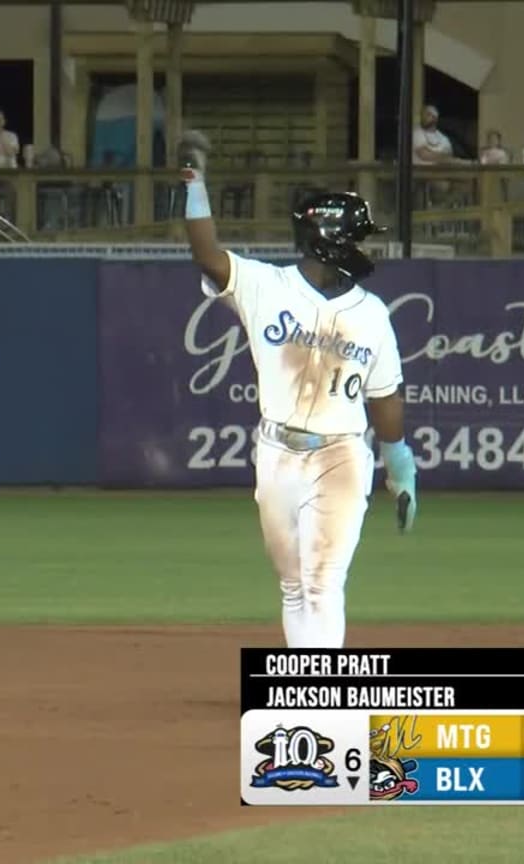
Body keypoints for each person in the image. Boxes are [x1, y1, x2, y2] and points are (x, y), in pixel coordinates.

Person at [177, 130, 417, 649]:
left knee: (323, 581)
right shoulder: (265, 285)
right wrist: (196, 184)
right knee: (292, 583)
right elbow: (207, 255)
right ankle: (304, 679)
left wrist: (397, 459)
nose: (360, 248)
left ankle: (317, 690)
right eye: (354, 239)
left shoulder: (372, 313)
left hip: (341, 455)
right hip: (277, 453)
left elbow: (386, 396)